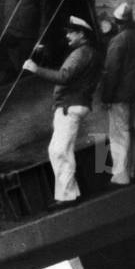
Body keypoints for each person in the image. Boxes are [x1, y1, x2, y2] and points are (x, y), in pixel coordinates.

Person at [23, 15, 103, 209]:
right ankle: (69, 193)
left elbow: (64, 76)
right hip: (72, 105)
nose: (68, 36)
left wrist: (35, 69)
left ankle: (68, 196)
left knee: (59, 151)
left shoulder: (80, 53)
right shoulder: (87, 52)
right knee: (61, 150)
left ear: (81, 34)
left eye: (71, 33)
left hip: (69, 106)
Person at [100, 3, 135, 185]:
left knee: (119, 133)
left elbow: (111, 71)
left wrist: (106, 97)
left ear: (117, 22)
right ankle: (131, 171)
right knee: (130, 130)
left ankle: (120, 175)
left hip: (120, 96)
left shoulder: (118, 41)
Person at [0, 0, 44, 80]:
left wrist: (41, 38)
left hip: (29, 35)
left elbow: (45, 14)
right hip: (11, 32)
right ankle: (10, 71)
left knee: (26, 68)